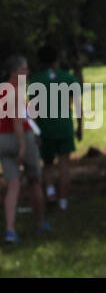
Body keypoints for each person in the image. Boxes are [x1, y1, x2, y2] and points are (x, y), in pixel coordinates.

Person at [1, 56, 48, 243]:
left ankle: (10, 229)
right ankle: (40, 223)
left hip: (2, 140)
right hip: (20, 140)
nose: (27, 73)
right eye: (24, 69)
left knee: (12, 185)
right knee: (35, 180)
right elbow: (18, 120)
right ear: (14, 72)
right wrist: (22, 145)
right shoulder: (15, 91)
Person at [28, 45, 77, 211]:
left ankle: (50, 192)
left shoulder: (35, 80)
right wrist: (80, 127)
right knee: (64, 166)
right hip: (64, 127)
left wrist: (34, 132)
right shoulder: (68, 77)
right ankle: (64, 202)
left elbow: (33, 111)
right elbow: (76, 104)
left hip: (45, 128)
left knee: (47, 164)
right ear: (57, 59)